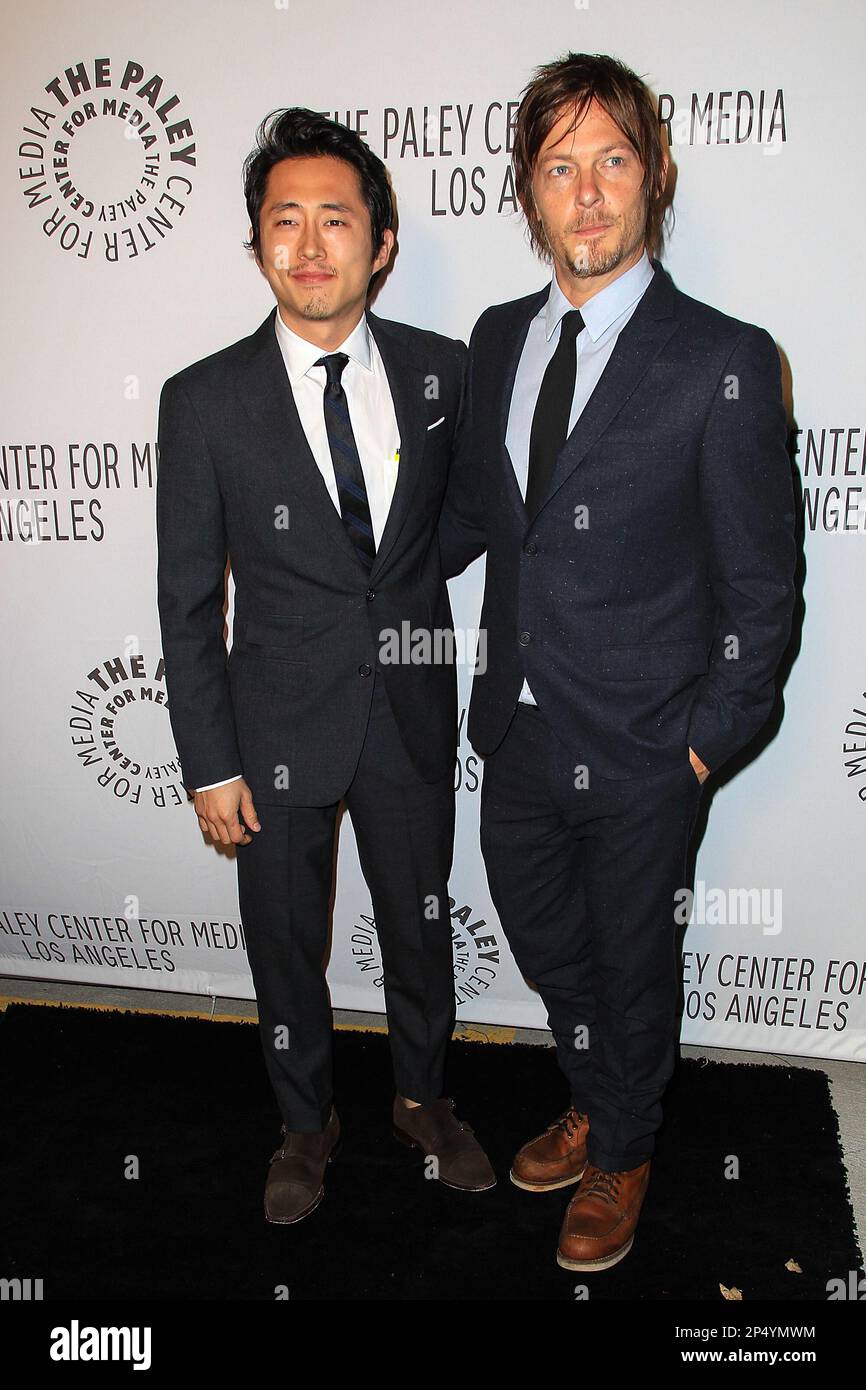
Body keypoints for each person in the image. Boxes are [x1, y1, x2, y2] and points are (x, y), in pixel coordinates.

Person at [438, 52, 796, 1270]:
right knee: (548, 940)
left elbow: (760, 587)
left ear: (653, 178)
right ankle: (598, 1084)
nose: (585, 194)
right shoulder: (494, 342)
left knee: (633, 957)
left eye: (611, 162)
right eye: (558, 168)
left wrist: (701, 742)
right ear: (527, 193)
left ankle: (622, 1146)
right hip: (520, 726)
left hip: (647, 740)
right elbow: (478, 524)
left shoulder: (720, 357)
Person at [156, 107, 495, 1226]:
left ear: (380, 240)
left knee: (420, 924)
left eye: (335, 220)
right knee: (285, 944)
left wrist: (395, 604)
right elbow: (188, 597)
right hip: (273, 725)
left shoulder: (446, 374)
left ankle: (420, 1098)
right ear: (257, 244)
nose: (309, 245)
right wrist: (208, 762)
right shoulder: (203, 400)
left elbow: (459, 523)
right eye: (283, 221)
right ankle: (306, 1123)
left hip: (407, 700)